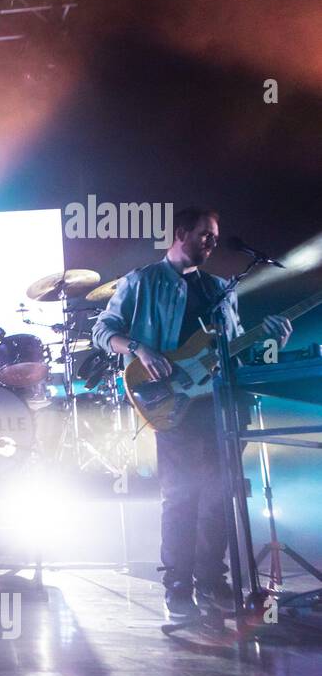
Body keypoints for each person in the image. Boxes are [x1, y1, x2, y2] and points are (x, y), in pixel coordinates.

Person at [92, 207, 292, 618]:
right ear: (181, 233)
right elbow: (103, 330)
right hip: (171, 403)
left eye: (215, 238)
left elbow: (234, 348)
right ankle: (178, 588)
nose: (212, 243)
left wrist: (271, 339)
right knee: (181, 497)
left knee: (219, 497)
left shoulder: (220, 288)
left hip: (221, 404)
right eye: (205, 235)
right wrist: (138, 348)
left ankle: (212, 582)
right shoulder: (142, 282)